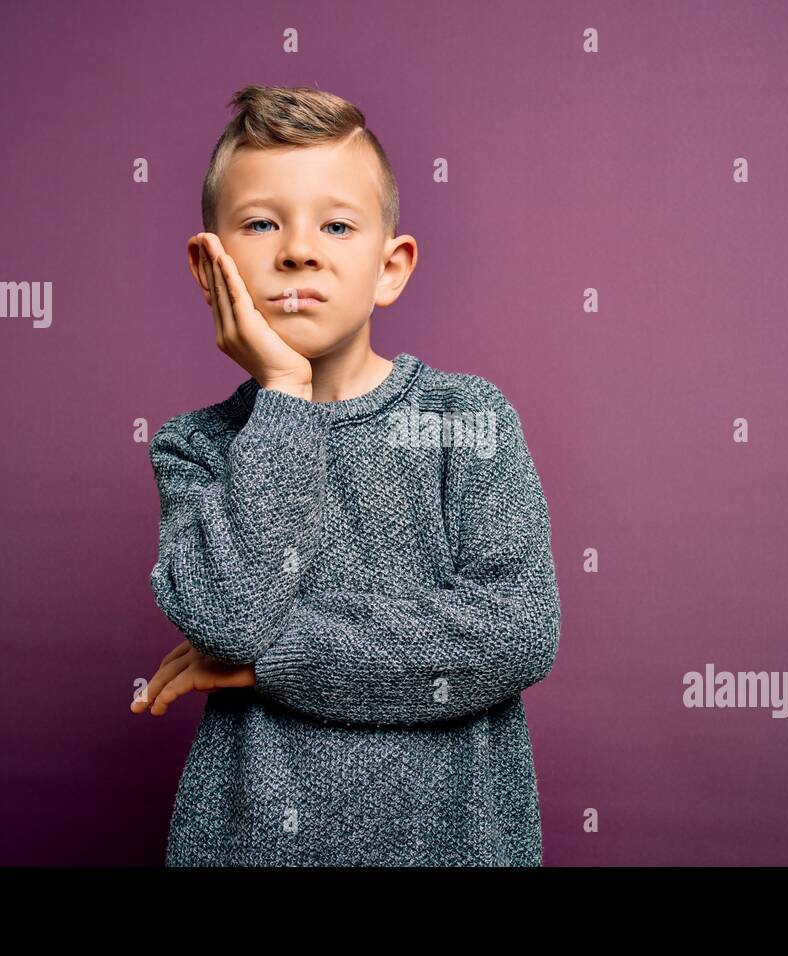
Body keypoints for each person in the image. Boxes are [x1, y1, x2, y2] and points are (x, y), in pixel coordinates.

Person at [130, 84, 561, 866]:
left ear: (390, 267)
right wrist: (285, 396)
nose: (298, 250)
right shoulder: (194, 448)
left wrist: (268, 661)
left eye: (335, 224)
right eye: (261, 224)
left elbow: (514, 631)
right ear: (208, 264)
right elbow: (225, 620)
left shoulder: (464, 418)